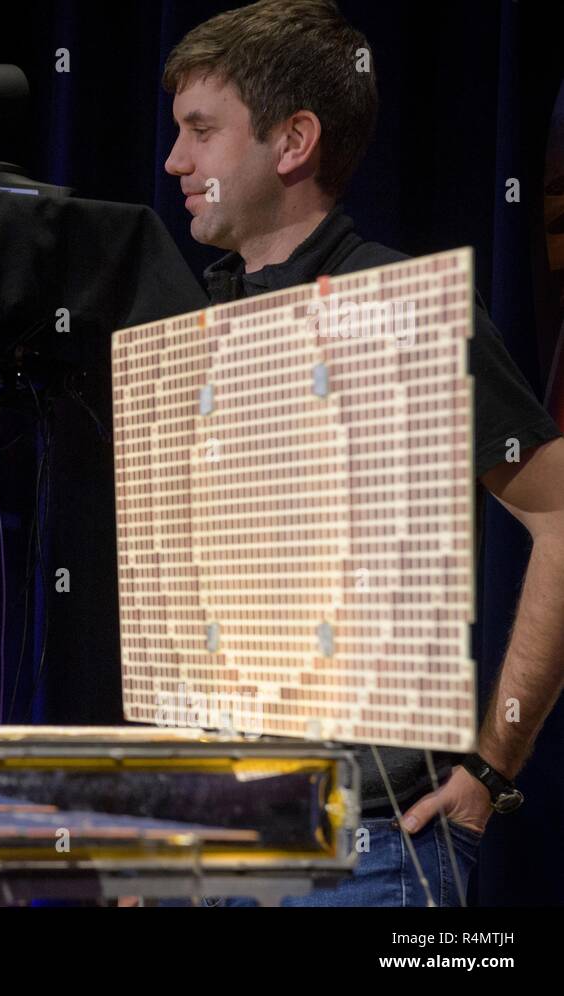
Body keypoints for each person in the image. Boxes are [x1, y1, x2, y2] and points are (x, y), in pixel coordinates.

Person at [161, 0, 564, 905]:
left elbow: (562, 517)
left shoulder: (406, 313)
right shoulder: (200, 328)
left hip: (371, 857)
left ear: (292, 140)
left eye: (200, 131)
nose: (175, 162)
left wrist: (492, 768)